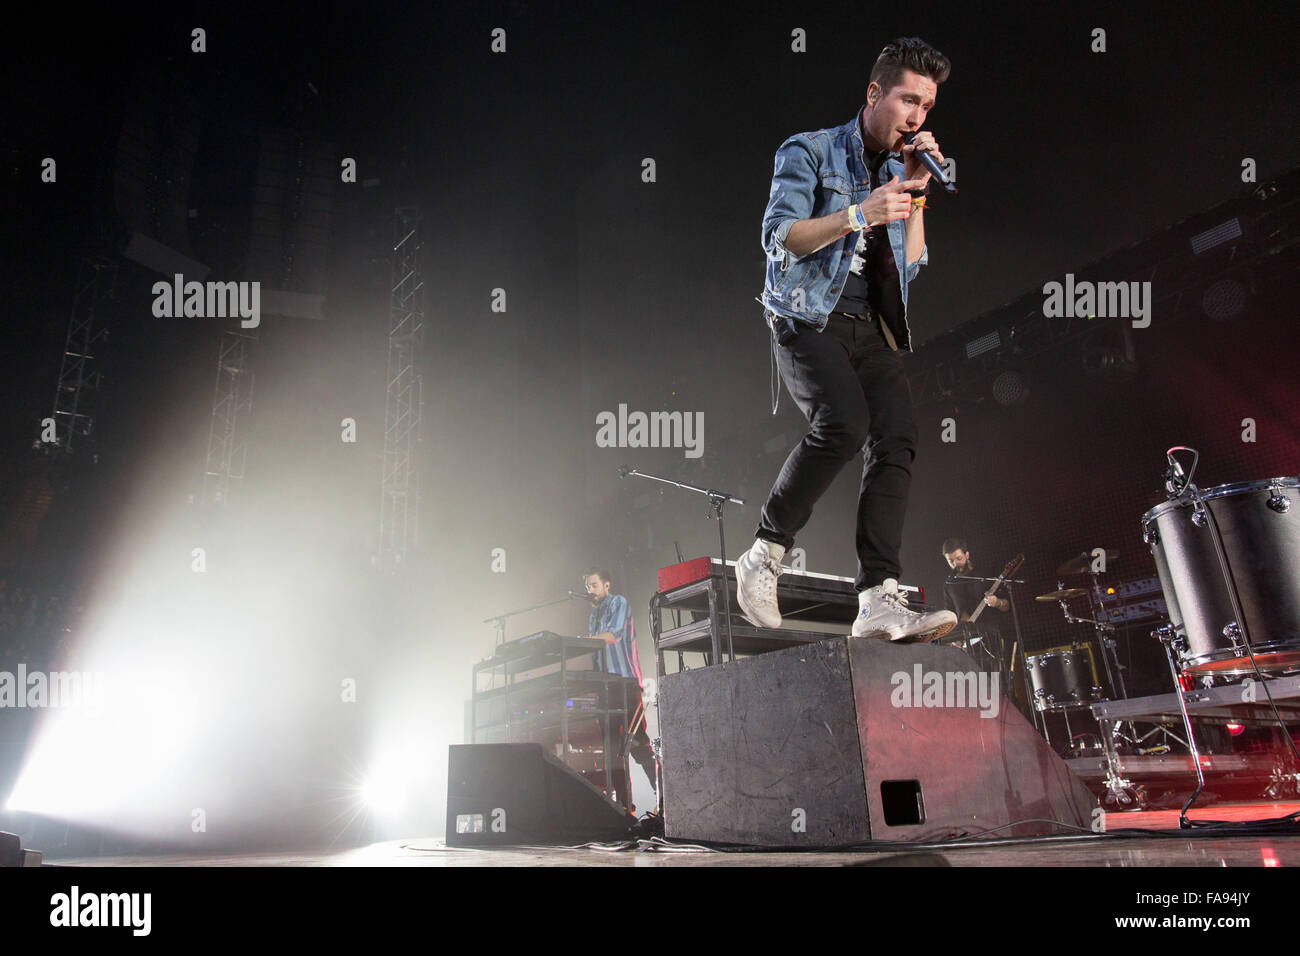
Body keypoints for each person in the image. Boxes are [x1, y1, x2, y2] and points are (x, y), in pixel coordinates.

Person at [736, 37, 956, 643]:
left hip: (874, 327)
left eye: (928, 106)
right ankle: (765, 552)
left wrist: (913, 193)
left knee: (899, 439)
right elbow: (781, 238)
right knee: (844, 423)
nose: (916, 117)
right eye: (908, 99)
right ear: (874, 93)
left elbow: (911, 266)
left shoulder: (898, 170)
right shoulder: (808, 150)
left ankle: (877, 598)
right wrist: (861, 211)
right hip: (807, 317)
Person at [580, 568, 656, 791]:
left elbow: (614, 636)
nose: (590, 590)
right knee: (612, 750)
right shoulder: (593, 615)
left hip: (625, 683)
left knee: (637, 742)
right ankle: (624, 807)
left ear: (607, 585)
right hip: (605, 688)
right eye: (587, 587)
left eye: (594, 585)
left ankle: (665, 798)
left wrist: (587, 641)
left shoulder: (618, 603)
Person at [941, 539, 1012, 623]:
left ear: (967, 555)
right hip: (968, 634)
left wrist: (998, 602)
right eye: (951, 561)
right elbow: (950, 615)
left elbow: (1007, 605)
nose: (956, 564)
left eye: (959, 558)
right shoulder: (949, 584)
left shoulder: (984, 573)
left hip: (994, 630)